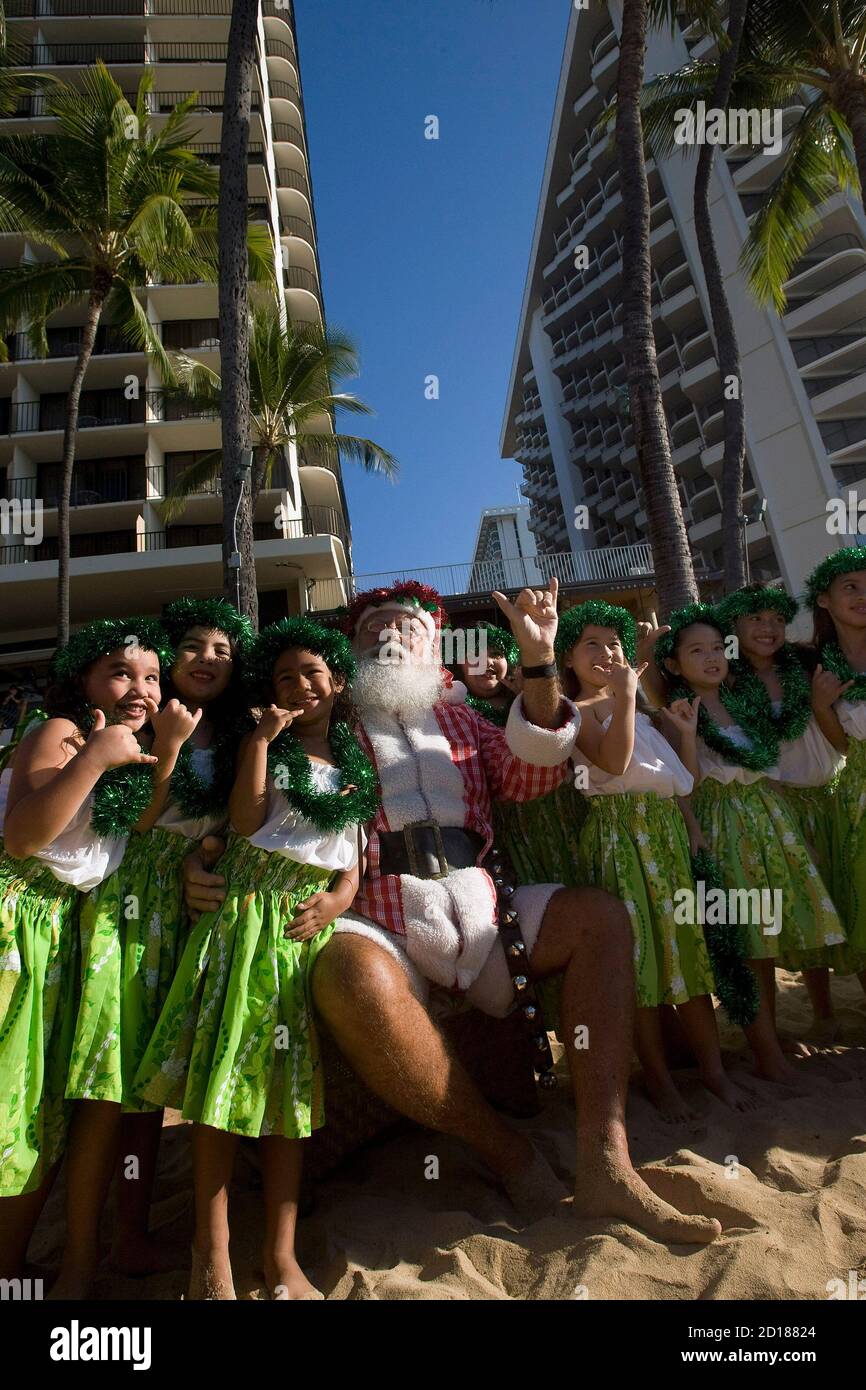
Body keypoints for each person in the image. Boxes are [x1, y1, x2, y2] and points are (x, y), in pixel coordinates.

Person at [185, 578, 723, 1247]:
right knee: (349, 972)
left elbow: (533, 773)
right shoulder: (326, 719)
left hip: (483, 911)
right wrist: (199, 856)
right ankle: (507, 1154)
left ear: (432, 646)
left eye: (407, 627)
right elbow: (251, 801)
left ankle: (604, 1160)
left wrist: (537, 661)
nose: (391, 635)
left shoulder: (466, 718)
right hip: (377, 918)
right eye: (375, 627)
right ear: (350, 649)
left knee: (600, 919)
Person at [135, 617, 376, 1300]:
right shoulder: (262, 744)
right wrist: (264, 742)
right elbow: (243, 823)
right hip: (244, 920)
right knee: (218, 1090)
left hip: (303, 931)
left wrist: (336, 903)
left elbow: (350, 865)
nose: (302, 686)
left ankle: (280, 1256)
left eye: (313, 673)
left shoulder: (355, 765)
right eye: (285, 678)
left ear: (337, 680)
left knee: (286, 1096)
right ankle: (209, 1256)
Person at [0, 618, 162, 1284]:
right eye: (121, 672)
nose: (140, 688)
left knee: (34, 1110)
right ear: (84, 682)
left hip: (59, 932)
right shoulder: (60, 734)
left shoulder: (130, 755)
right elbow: (23, 837)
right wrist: (93, 756)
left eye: (152, 677)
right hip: (13, 917)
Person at [559, 599, 754, 1119]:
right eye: (591, 645)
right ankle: (660, 1080)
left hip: (665, 835)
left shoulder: (642, 711)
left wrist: (684, 736)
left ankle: (713, 1070)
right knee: (640, 961)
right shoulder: (572, 713)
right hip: (621, 838)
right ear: (568, 657)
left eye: (615, 644)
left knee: (685, 955)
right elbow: (613, 763)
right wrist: (624, 699)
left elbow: (681, 781)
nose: (607, 653)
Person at [109, 597, 255, 1277]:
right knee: (119, 1075)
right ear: (169, 657)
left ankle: (177, 1233)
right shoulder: (141, 719)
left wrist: (208, 855)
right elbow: (135, 816)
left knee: (183, 1065)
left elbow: (240, 818)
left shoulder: (237, 736)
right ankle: (111, 1237)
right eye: (195, 646)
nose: (208, 659)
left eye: (223, 651)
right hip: (134, 895)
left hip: (201, 899)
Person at [657, 604, 845, 1086]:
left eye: (718, 648)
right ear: (675, 664)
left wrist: (796, 831)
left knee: (765, 944)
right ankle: (765, 1052)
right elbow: (687, 785)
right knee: (745, 942)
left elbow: (769, 767)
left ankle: (771, 1039)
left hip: (769, 819)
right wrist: (684, 736)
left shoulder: (742, 697)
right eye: (696, 651)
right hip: (724, 825)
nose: (712, 657)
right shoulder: (677, 711)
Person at [714, 584, 844, 1039]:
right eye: (755, 619)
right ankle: (810, 1015)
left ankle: (836, 1005)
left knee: (837, 900)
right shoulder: (727, 679)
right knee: (802, 907)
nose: (768, 628)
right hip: (778, 803)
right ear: (734, 625)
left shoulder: (808, 664)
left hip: (830, 793)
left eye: (775, 619)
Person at [806, 545, 866, 995]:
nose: (862, 595)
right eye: (851, 587)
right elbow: (842, 745)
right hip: (857, 792)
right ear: (824, 599)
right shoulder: (817, 665)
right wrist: (821, 705)